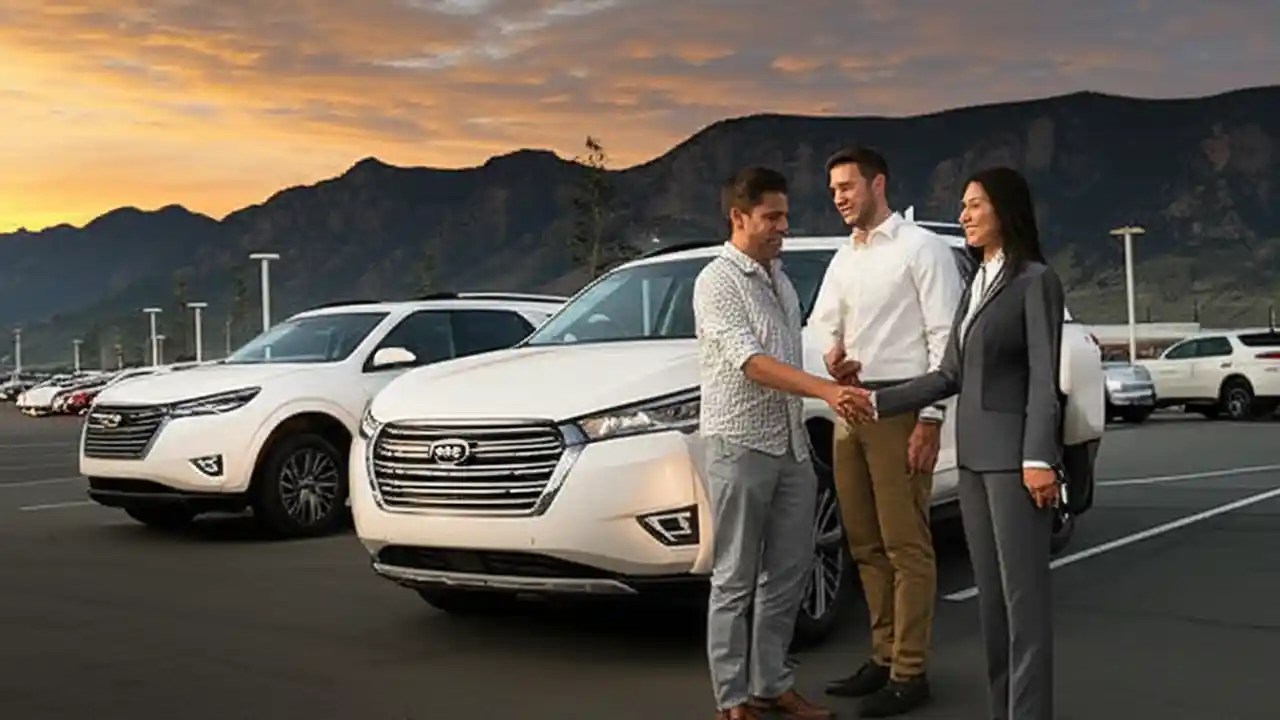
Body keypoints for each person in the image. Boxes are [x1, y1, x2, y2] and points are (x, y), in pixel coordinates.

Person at [842, 166, 1066, 720]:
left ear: (1004, 210)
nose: (963, 215)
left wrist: (1039, 458)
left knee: (1024, 605)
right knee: (993, 605)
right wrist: (876, 401)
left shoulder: (1034, 280)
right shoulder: (977, 282)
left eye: (974, 205)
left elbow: (1044, 378)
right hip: (972, 462)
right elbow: (948, 374)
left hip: (1017, 462)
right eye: (963, 206)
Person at [692, 166, 858, 720]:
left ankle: (772, 685)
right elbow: (752, 364)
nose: (782, 227)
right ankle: (732, 699)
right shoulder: (716, 282)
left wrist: (832, 367)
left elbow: (789, 357)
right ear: (739, 217)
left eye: (785, 215)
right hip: (738, 446)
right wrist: (825, 391)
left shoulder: (781, 281)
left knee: (789, 572)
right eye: (772, 217)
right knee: (735, 578)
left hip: (790, 448)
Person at [808, 146, 964, 717]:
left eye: (847, 186)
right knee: (865, 543)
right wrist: (833, 358)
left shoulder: (922, 249)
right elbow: (824, 322)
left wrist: (931, 419)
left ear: (878, 184)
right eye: (832, 190)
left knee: (906, 544)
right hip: (854, 406)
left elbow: (946, 338)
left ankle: (910, 670)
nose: (839, 197)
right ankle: (882, 655)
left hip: (904, 404)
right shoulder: (844, 257)